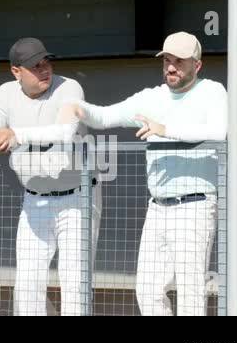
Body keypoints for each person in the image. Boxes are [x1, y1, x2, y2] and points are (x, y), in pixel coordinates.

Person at [62, 31, 227, 315]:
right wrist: (77, 108)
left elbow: (218, 132)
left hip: (196, 205)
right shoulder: (151, 97)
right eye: (167, 61)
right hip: (158, 207)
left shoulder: (212, 91)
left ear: (197, 65)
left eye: (179, 61)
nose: (171, 67)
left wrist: (165, 129)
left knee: (191, 293)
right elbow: (104, 116)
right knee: (147, 290)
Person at [0, 37, 101, 316]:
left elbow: (64, 131)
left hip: (77, 200)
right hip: (34, 202)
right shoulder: (5, 93)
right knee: (27, 289)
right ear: (16, 72)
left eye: (47, 63)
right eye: (35, 66)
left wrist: (16, 135)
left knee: (75, 287)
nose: (45, 70)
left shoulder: (69, 87)